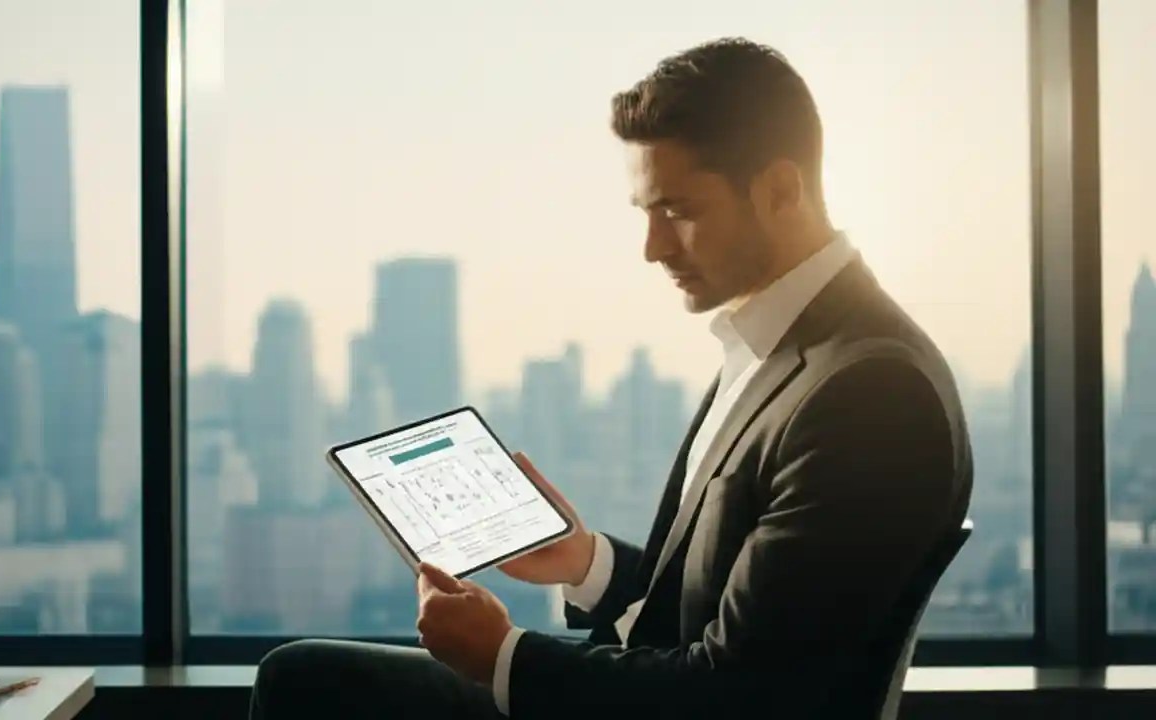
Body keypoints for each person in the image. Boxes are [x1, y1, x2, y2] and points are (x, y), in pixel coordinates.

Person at [249, 36, 973, 719]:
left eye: (678, 211)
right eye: (646, 210)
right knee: (310, 677)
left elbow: (744, 693)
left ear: (781, 192)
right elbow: (718, 613)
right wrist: (585, 561)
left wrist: (503, 657)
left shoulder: (871, 394)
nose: (652, 247)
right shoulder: (780, 347)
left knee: (309, 684)